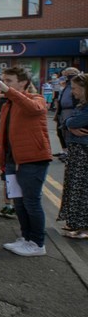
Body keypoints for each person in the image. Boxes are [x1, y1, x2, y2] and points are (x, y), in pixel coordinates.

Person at [0, 67, 51, 257]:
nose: (4, 84)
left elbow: (34, 109)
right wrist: (0, 160)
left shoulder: (36, 99)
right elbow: (5, 137)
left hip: (32, 159)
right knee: (18, 202)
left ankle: (38, 243)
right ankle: (26, 238)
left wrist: (9, 91)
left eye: (9, 81)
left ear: (23, 82)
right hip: (12, 160)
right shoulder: (8, 105)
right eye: (4, 80)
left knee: (31, 202)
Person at [57, 74, 88, 239]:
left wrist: (69, 124)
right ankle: (76, 223)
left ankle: (84, 228)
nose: (72, 92)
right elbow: (64, 122)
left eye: (75, 88)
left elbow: (71, 122)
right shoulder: (82, 105)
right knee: (75, 187)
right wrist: (69, 124)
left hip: (83, 152)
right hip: (77, 151)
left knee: (82, 189)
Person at [54, 67, 80, 160]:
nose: (65, 76)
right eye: (64, 74)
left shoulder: (75, 84)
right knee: (61, 132)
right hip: (63, 111)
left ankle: (70, 153)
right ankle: (65, 151)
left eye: (67, 74)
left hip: (71, 111)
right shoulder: (66, 85)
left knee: (69, 132)